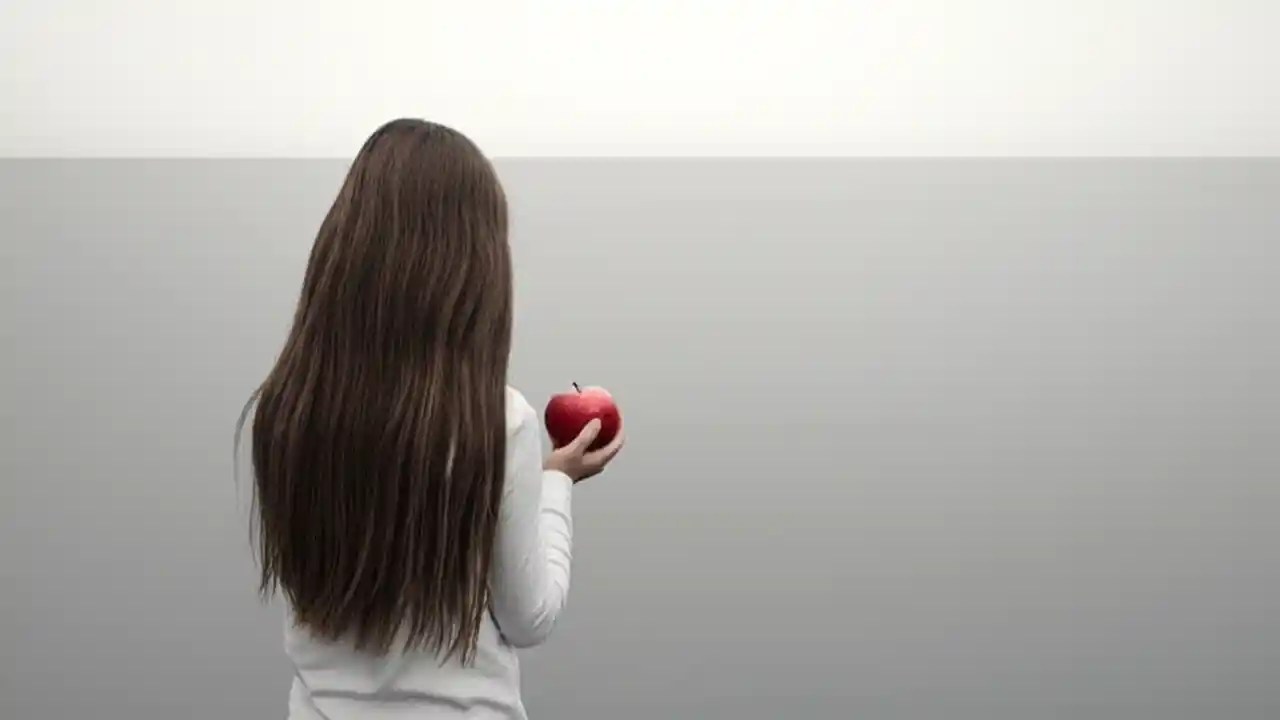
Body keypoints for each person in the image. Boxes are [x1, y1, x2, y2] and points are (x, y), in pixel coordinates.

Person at [236, 118, 625, 719]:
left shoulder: (286, 408)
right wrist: (555, 482)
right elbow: (530, 617)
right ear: (472, 271)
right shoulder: (500, 425)